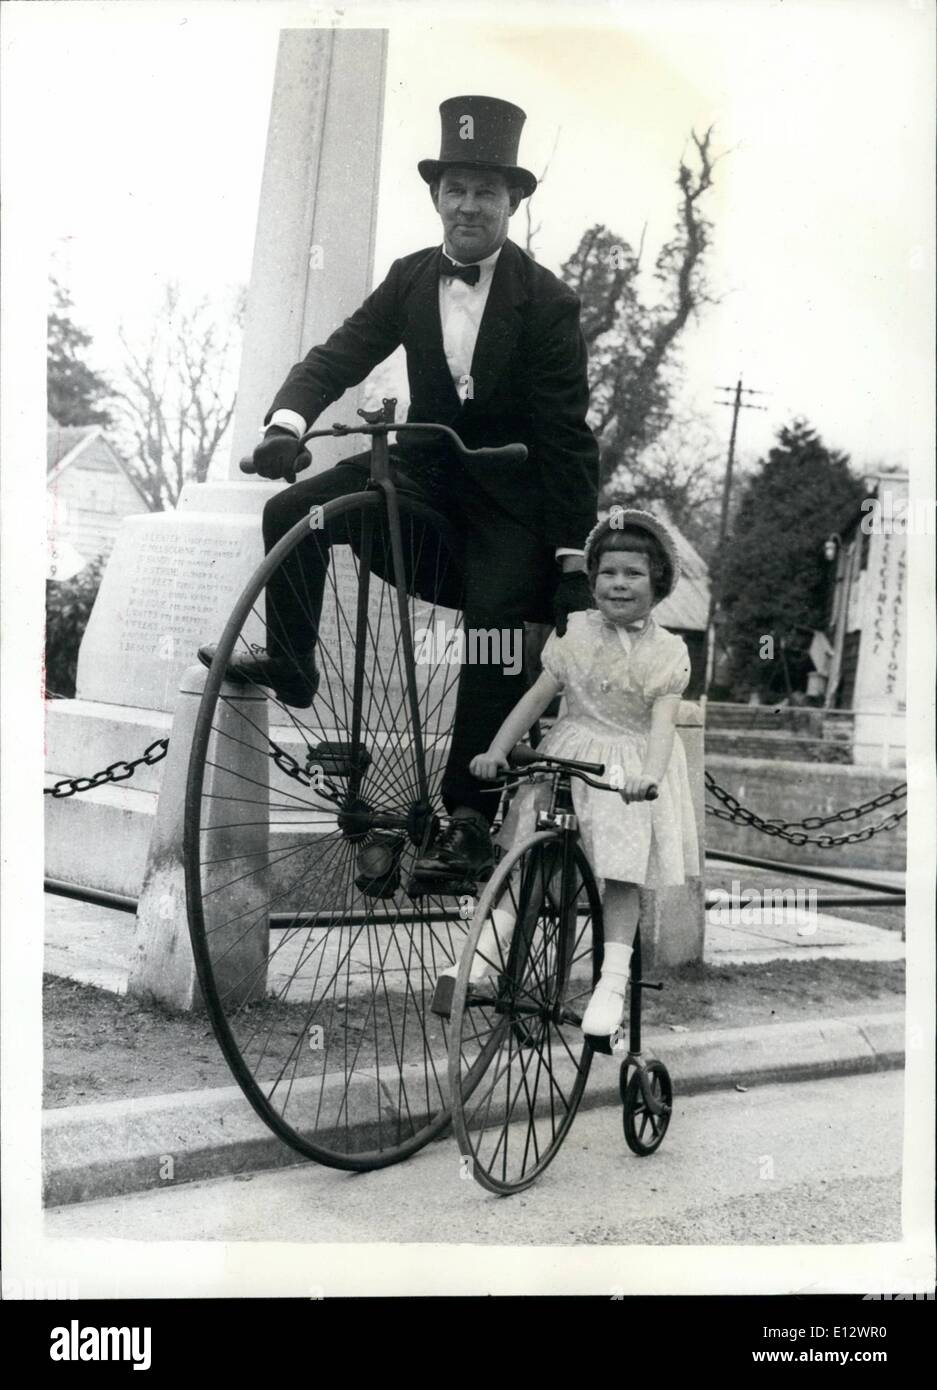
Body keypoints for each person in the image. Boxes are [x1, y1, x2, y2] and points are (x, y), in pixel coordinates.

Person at [198, 95, 598, 889]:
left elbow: (564, 435)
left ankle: (467, 818)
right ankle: (292, 661)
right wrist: (288, 422)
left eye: (486, 192)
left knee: (494, 627)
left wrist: (569, 556)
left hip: (507, 500)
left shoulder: (547, 302)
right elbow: (339, 353)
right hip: (425, 473)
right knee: (291, 511)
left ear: (512, 203)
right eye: (456, 189)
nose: (468, 206)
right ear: (436, 197)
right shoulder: (412, 277)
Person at [437, 510, 700, 1038]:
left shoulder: (667, 653)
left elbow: (662, 727)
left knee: (623, 870)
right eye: (607, 573)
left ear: (658, 584)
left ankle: (612, 980)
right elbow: (535, 698)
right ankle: (484, 951)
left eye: (633, 574)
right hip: (568, 751)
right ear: (593, 579)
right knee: (533, 857)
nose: (618, 584)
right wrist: (495, 750)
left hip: (626, 766)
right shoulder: (575, 631)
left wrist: (646, 777)